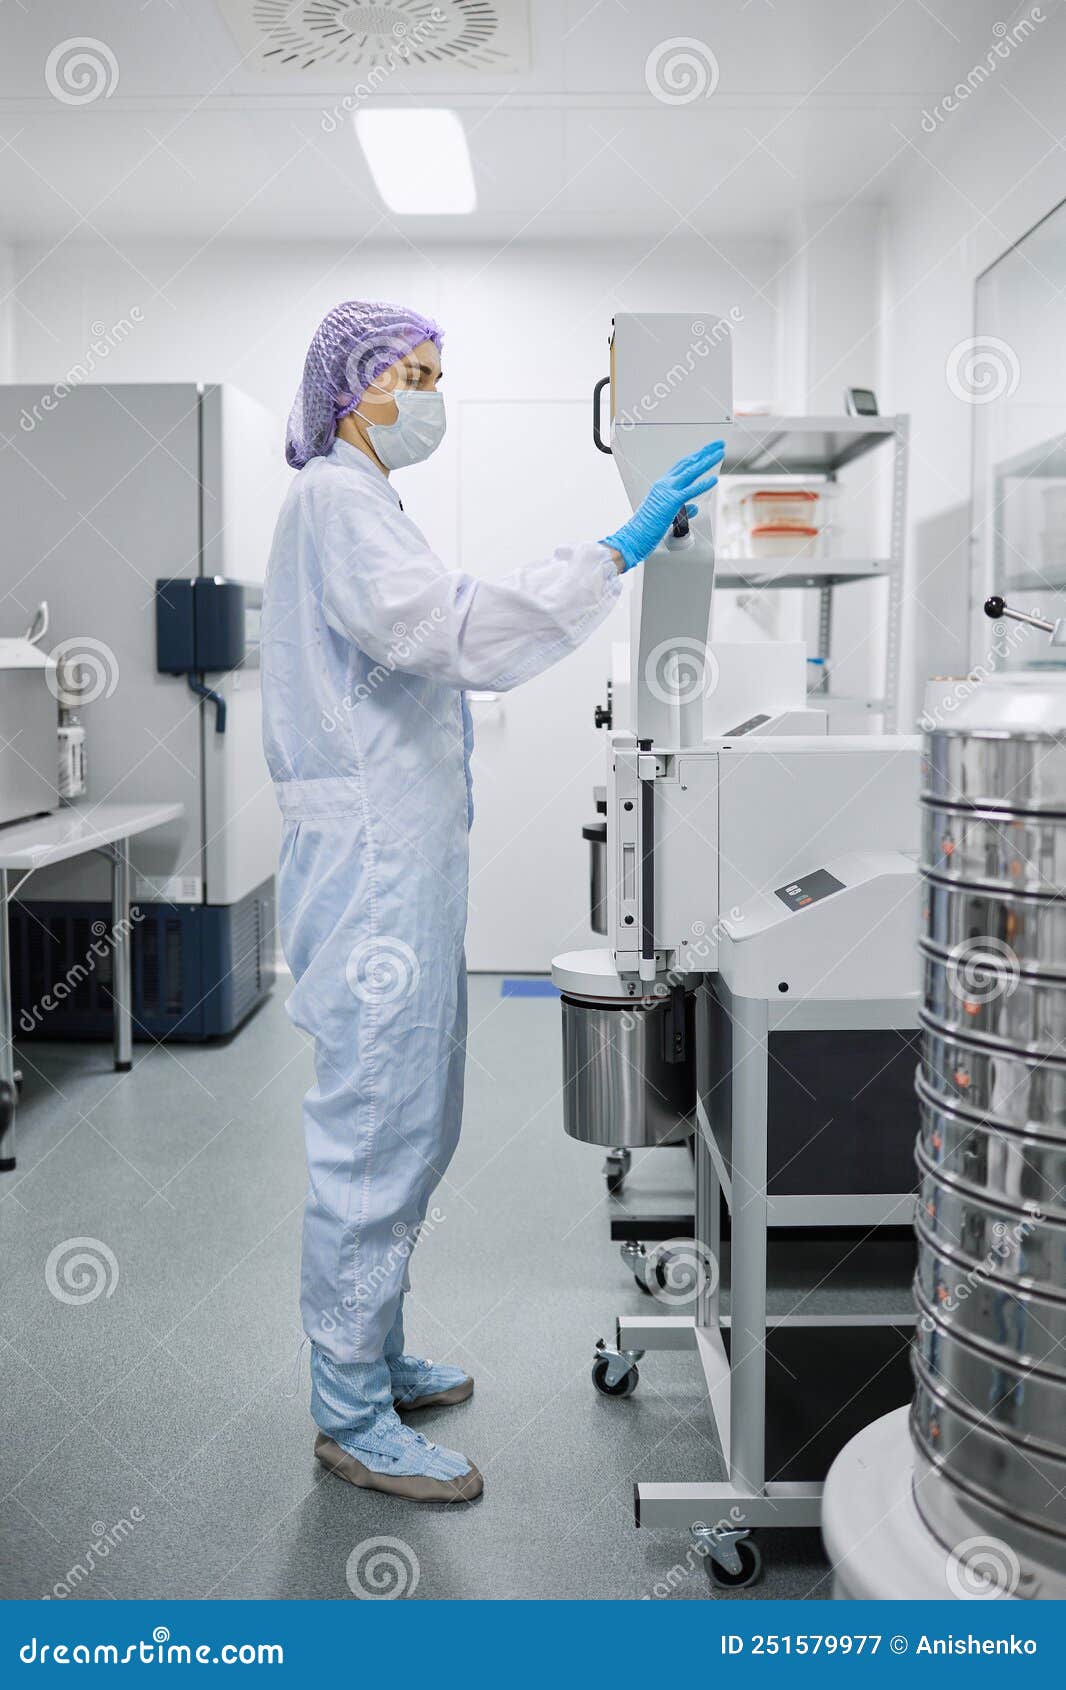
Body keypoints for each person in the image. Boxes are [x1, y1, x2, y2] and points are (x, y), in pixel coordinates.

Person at [261, 299, 724, 1504]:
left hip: (395, 864)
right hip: (370, 872)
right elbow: (451, 629)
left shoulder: (367, 504)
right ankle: (348, 1411)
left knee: (411, 1122)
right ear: (349, 389)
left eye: (434, 374)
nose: (428, 396)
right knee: (374, 1130)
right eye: (409, 375)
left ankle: (375, 1354)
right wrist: (612, 550)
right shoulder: (335, 502)